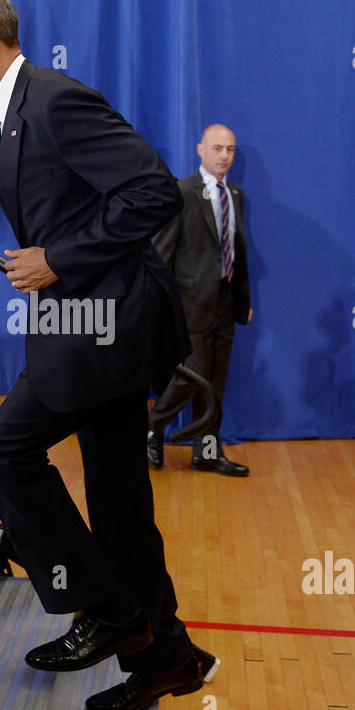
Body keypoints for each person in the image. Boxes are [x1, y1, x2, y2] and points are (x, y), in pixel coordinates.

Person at [0, 0, 210, 710]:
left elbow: (155, 192)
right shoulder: (8, 114)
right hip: (83, 320)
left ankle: (106, 611)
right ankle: (166, 656)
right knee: (118, 500)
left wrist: (59, 257)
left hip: (107, 325)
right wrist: (61, 263)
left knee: (5, 453)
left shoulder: (52, 100)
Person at [147, 124, 253, 476]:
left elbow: (237, 252)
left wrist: (243, 299)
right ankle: (151, 427)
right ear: (200, 150)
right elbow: (162, 254)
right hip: (190, 306)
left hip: (224, 303)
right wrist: (162, 305)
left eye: (230, 149)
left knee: (216, 384)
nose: (225, 155)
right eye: (218, 148)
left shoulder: (235, 194)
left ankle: (206, 452)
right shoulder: (182, 193)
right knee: (193, 377)